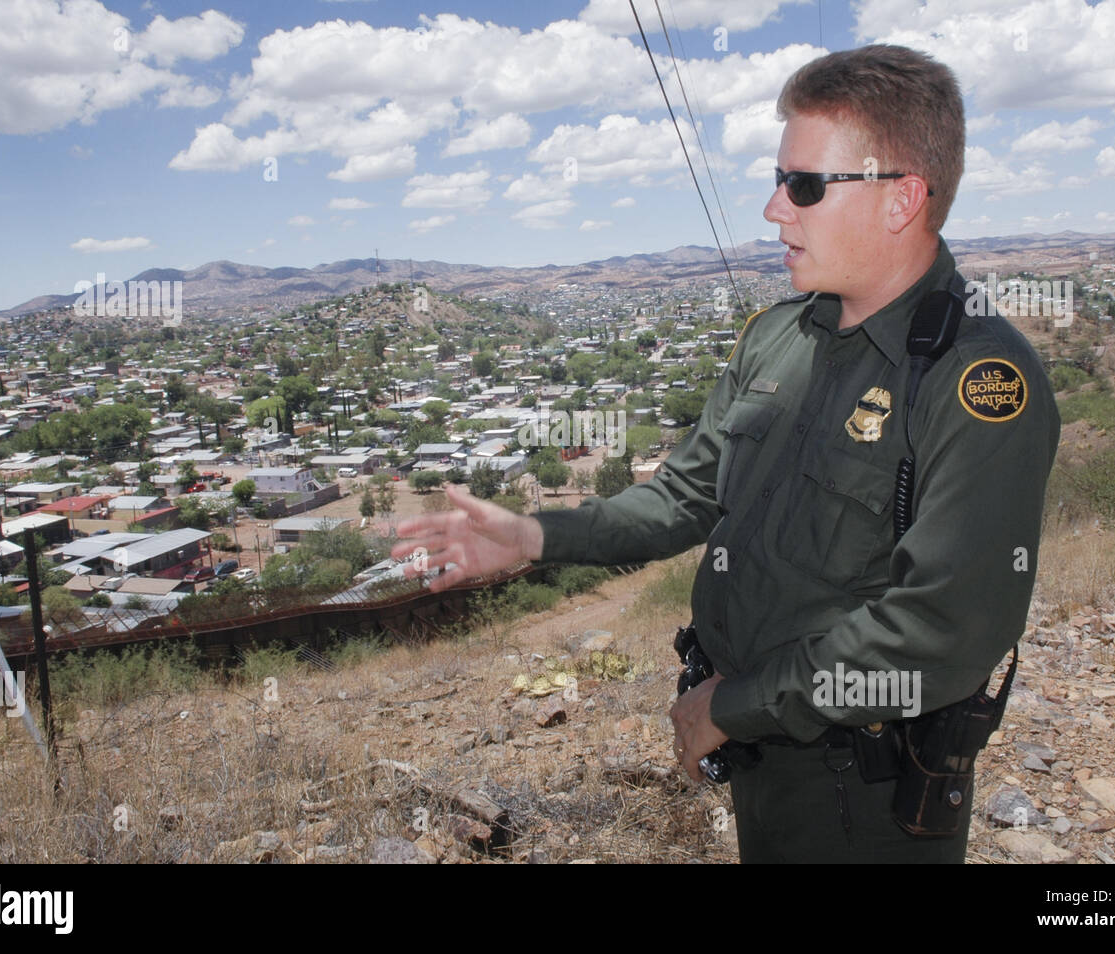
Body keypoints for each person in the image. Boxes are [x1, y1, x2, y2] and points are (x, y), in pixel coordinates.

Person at [394, 44, 1060, 863]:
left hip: (866, 786)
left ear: (902, 200)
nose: (776, 210)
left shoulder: (976, 379)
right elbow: (683, 497)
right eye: (780, 180)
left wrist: (735, 705)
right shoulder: (780, 337)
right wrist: (536, 538)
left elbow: (945, 632)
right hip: (757, 753)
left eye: (805, 186)